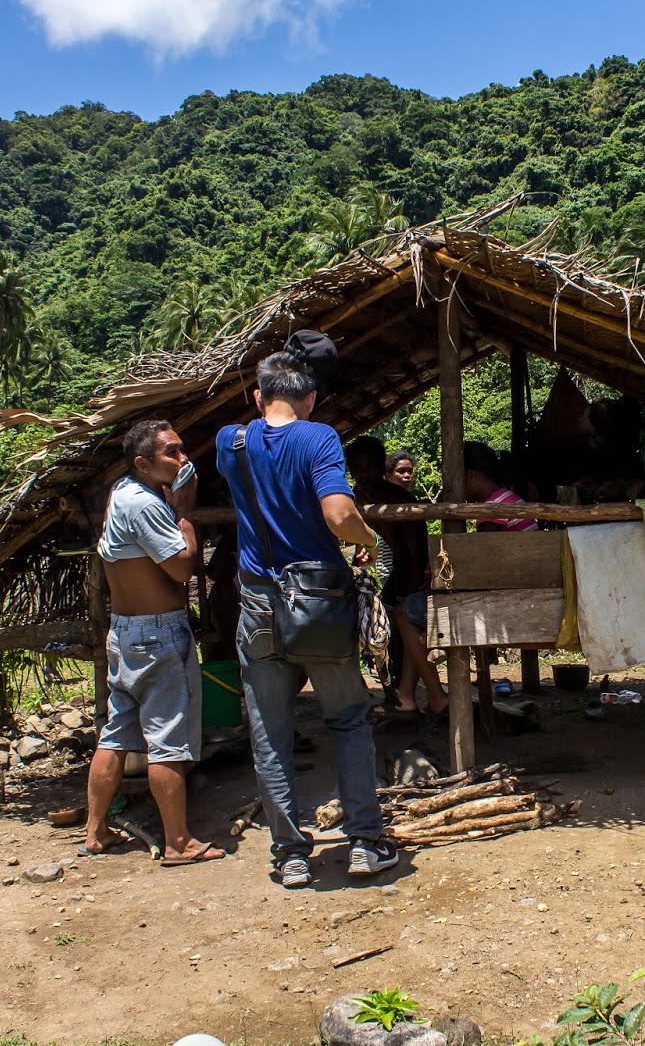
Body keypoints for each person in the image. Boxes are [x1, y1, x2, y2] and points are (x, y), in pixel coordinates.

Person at [215, 335, 398, 888]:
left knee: (271, 730)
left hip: (257, 603)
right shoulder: (318, 438)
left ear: (256, 395)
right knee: (347, 716)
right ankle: (365, 842)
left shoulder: (231, 441)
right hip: (316, 601)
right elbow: (339, 512)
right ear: (312, 398)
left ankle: (291, 854)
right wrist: (366, 535)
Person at [84, 420, 224, 865]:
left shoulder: (122, 493)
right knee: (168, 740)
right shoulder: (147, 505)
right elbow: (182, 568)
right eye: (172, 453)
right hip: (158, 632)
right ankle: (179, 842)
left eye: (181, 450)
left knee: (118, 731)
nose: (183, 459)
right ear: (143, 463)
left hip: (125, 632)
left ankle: (96, 830)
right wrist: (184, 511)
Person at [390, 443, 536, 713]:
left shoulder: (491, 512)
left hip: (498, 604)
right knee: (413, 612)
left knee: (403, 613)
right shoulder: (510, 500)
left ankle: (434, 696)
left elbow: (479, 569)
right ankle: (407, 695)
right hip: (517, 595)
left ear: (469, 477)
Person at [345, 436, 431, 713]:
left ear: (381, 467)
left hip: (415, 570)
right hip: (398, 570)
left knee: (402, 627)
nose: (363, 474)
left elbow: (416, 552)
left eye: (368, 467)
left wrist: (412, 584)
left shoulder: (399, 499)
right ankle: (400, 694)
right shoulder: (355, 499)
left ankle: (405, 697)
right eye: (356, 468)